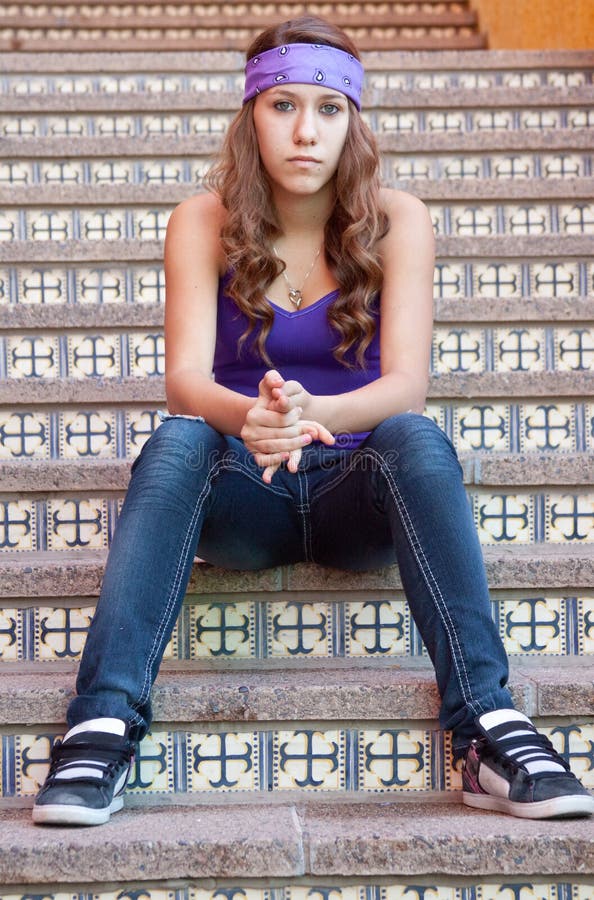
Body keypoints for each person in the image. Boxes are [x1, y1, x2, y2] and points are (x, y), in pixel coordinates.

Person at [33, 15, 592, 827]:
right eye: (283, 105)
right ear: (250, 114)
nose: (305, 130)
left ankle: (487, 730)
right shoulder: (202, 219)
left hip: (358, 494)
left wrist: (311, 414)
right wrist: (255, 419)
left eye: (329, 109)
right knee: (178, 438)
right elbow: (185, 380)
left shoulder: (398, 218)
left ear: (353, 122)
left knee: (418, 438)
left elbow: (406, 385)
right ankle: (101, 726)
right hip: (243, 490)